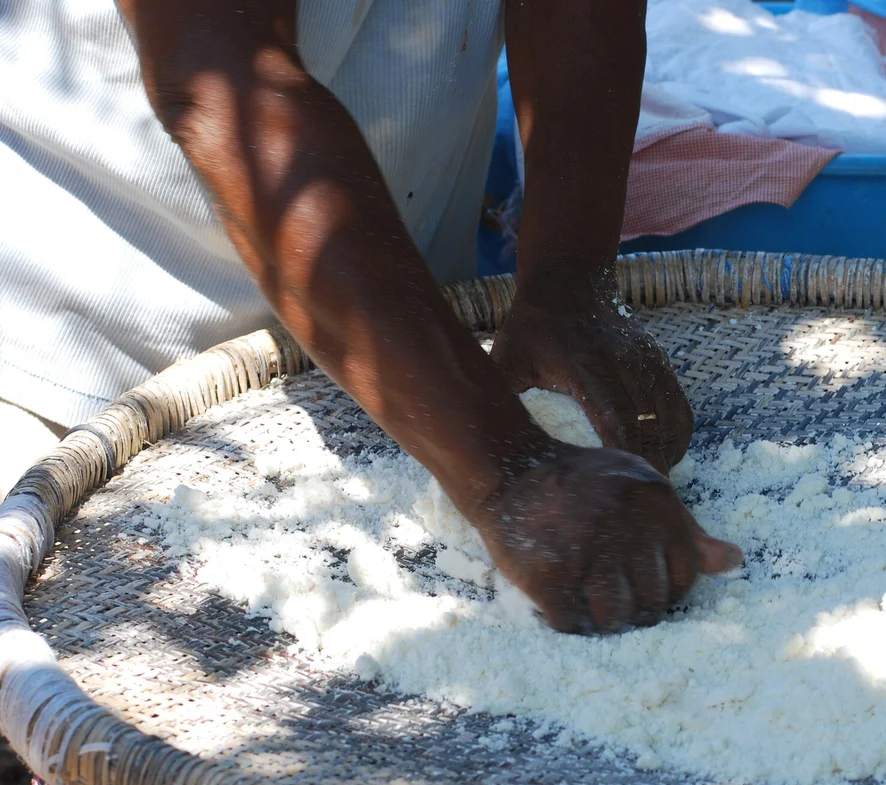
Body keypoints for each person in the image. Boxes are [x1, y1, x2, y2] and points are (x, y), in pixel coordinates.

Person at [0, 0, 741, 636]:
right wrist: (509, 471)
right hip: (91, 334)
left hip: (408, 316)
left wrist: (568, 282)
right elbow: (222, 86)